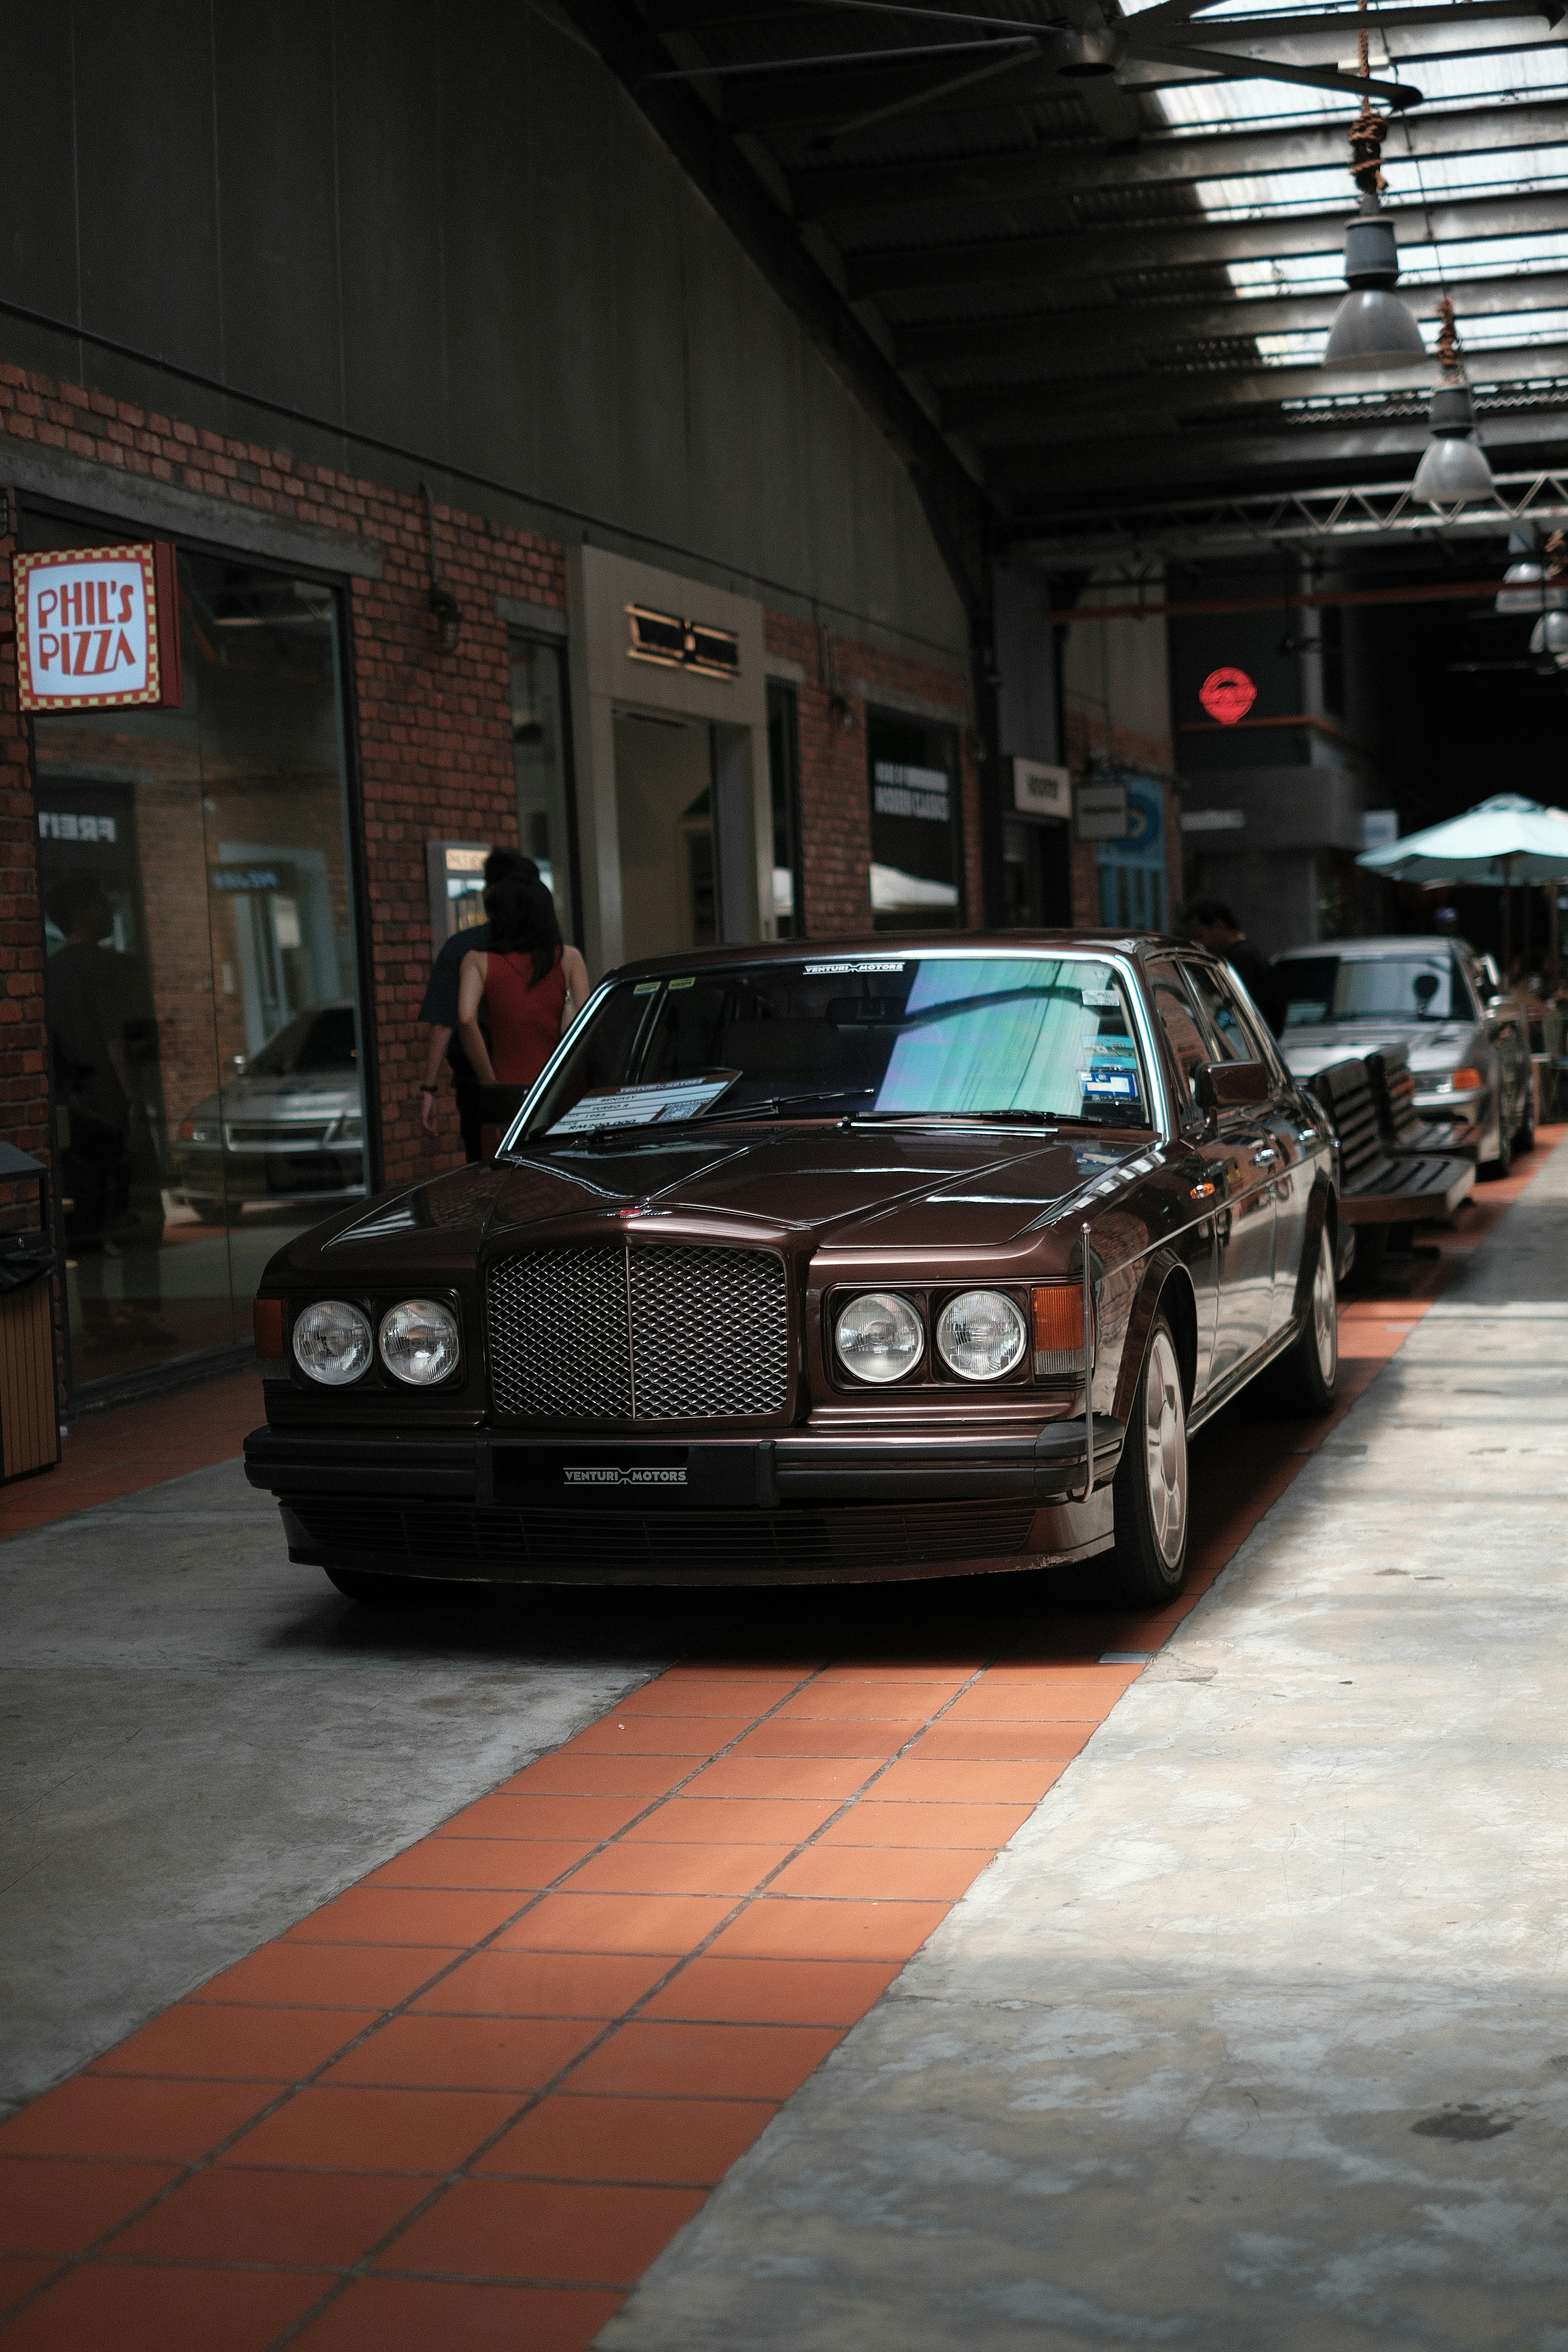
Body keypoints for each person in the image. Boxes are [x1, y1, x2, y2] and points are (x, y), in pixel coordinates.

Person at [44, 879, 175, 1355]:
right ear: (84, 910)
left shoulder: (53, 969)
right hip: (111, 1109)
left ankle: (97, 1318)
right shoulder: (107, 966)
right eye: (103, 901)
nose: (112, 910)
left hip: (74, 1114)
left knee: (89, 1222)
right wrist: (134, 1102)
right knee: (143, 1211)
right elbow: (117, 1043)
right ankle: (138, 1312)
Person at [418, 849, 537, 1162]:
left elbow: (445, 1022)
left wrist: (429, 1089)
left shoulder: (462, 948)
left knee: (487, 1173)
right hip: (540, 1080)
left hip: (478, 1088)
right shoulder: (548, 949)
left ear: (489, 894)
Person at [455, 878, 589, 1151]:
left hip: (506, 1095)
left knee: (505, 1186)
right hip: (557, 1093)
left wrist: (490, 1086)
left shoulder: (478, 960)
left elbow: (467, 1020)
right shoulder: (568, 958)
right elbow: (585, 1027)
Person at [1184, 897, 1286, 1039]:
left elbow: (1233, 1009)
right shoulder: (1248, 954)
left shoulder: (1239, 961)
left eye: (1200, 935)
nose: (1199, 943)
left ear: (1219, 926)